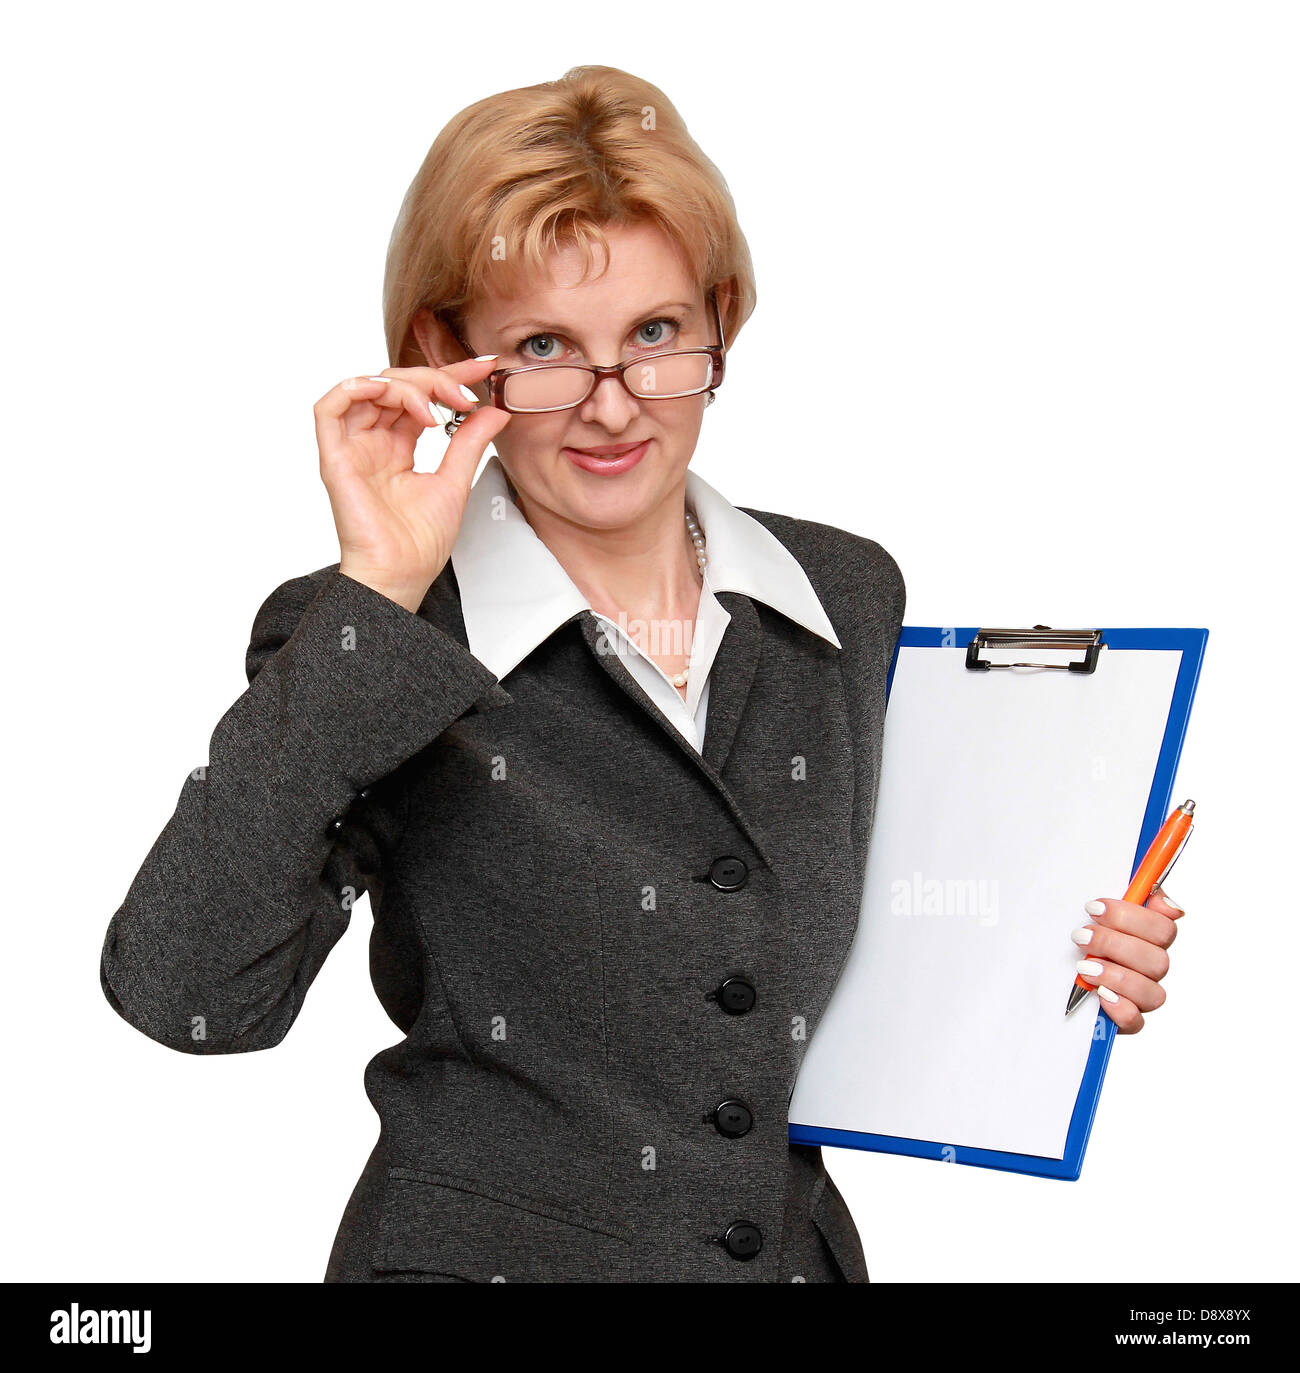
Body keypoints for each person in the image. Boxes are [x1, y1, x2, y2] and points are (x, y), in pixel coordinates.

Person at [99, 65, 1183, 1283]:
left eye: (656, 335)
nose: (612, 407)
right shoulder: (377, 629)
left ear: (721, 317)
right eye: (545, 347)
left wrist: (1059, 960)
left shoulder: (845, 592)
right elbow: (187, 992)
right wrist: (379, 586)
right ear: (444, 354)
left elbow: (863, 940)